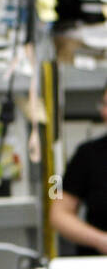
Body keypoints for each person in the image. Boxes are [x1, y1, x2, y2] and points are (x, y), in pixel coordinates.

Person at [50, 82, 107, 255]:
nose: (104, 112)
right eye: (104, 104)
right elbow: (58, 214)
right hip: (96, 266)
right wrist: (100, 240)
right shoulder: (87, 154)